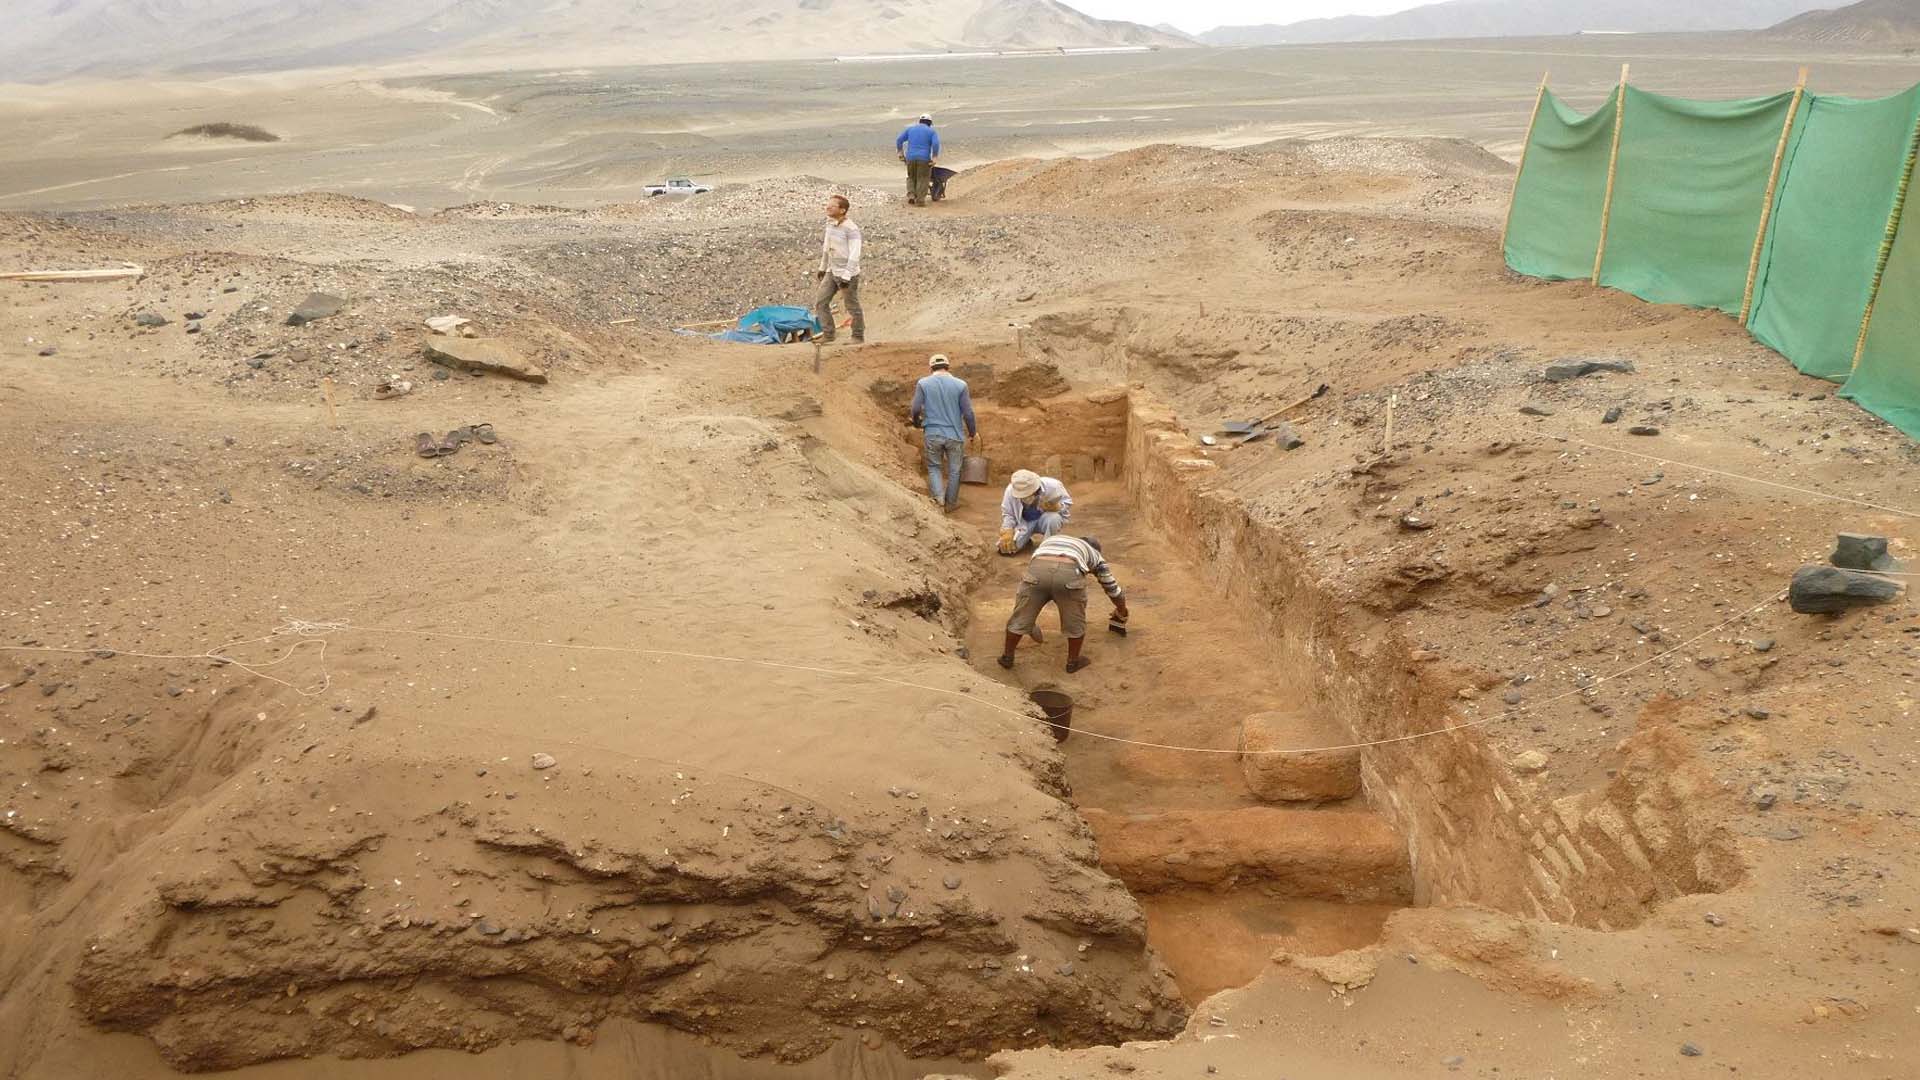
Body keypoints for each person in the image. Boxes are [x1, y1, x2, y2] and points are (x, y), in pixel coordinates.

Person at [1000, 535, 1127, 674]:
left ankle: (1007, 656)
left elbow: (1036, 564)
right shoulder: (1095, 555)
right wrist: (1122, 610)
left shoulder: (1053, 540)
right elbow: (1112, 588)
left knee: (1020, 617)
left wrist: (1028, 619)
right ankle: (1073, 662)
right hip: (1069, 574)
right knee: (1075, 622)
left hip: (1038, 569)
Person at [909, 353, 976, 512]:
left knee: (934, 467)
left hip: (932, 433)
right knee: (955, 470)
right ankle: (950, 504)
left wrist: (918, 423)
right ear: (948, 366)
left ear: (931, 367)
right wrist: (972, 432)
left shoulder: (923, 383)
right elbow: (968, 413)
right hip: (955, 435)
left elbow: (915, 408)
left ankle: (938, 500)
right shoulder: (961, 385)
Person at [813, 194, 864, 344]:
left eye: (832, 206)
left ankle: (858, 336)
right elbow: (826, 247)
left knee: (851, 305)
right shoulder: (830, 224)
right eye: (827, 205)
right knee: (821, 302)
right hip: (832, 270)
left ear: (842, 210)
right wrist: (822, 267)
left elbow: (855, 253)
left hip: (847, 274)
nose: (828, 208)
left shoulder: (851, 229)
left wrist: (847, 275)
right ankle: (828, 334)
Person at [998, 469, 1071, 554]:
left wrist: (1058, 507)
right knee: (1006, 549)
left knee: (1054, 519)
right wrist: (1008, 530)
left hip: (1045, 519)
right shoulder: (1010, 491)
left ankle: (1049, 546)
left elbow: (1067, 502)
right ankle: (1026, 541)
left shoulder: (1053, 486)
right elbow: (1008, 514)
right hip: (1024, 523)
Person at [896, 113, 940, 207]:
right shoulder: (931, 132)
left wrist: (900, 153)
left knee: (911, 177)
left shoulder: (910, 129)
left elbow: (899, 139)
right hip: (923, 158)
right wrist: (934, 157)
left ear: (920, 121)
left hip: (910, 158)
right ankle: (920, 200)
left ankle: (911, 195)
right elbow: (935, 144)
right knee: (923, 178)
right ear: (930, 123)